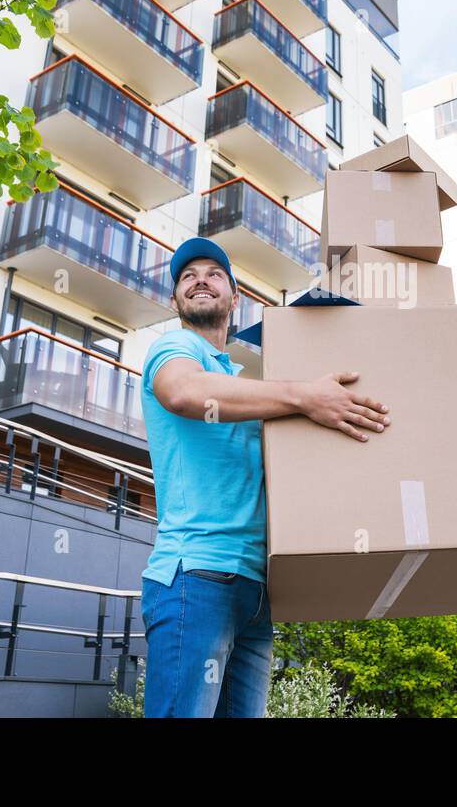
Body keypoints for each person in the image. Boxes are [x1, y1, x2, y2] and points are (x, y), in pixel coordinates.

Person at [138, 237, 389, 717]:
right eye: (188, 276)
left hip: (256, 591)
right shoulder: (175, 349)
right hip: (197, 575)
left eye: (214, 273)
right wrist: (302, 396)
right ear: (175, 301)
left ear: (234, 297)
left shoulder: (241, 383)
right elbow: (182, 392)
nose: (200, 280)